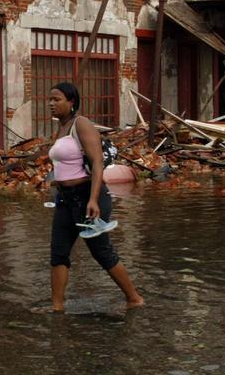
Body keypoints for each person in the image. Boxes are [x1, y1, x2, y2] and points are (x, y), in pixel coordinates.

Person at [46, 81, 144, 311]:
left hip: (87, 197)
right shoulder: (61, 127)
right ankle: (57, 308)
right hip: (65, 199)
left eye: (56, 99)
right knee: (58, 252)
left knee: (100, 251)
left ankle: (134, 298)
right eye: (49, 99)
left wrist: (93, 198)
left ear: (71, 102)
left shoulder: (81, 124)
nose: (51, 103)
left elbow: (98, 162)